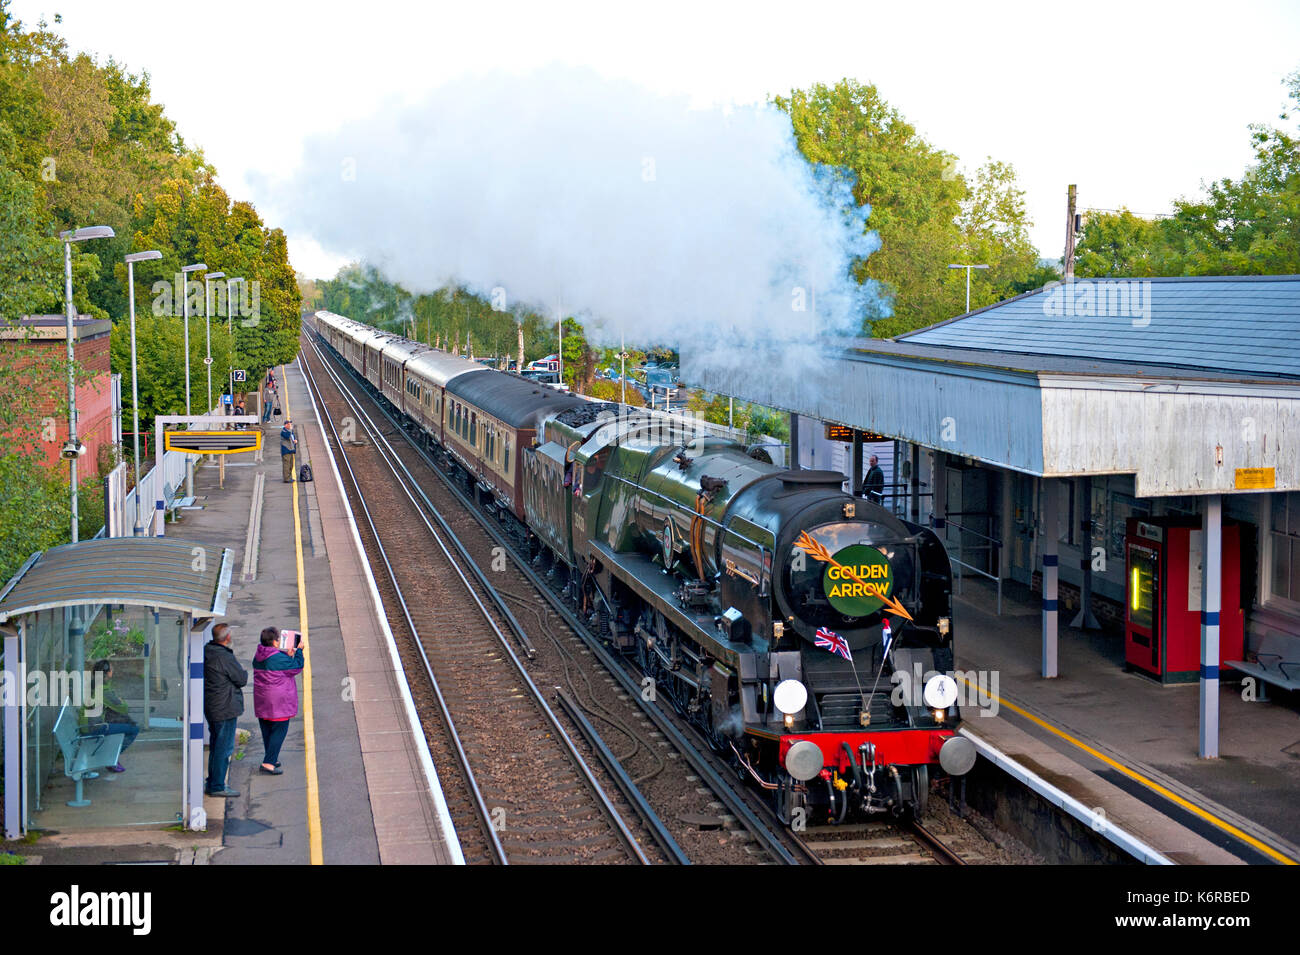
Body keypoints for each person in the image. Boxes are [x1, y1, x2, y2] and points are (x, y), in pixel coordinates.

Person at [252, 628, 305, 775]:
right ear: (275, 641)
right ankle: (268, 763)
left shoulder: (258, 656)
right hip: (278, 701)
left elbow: (277, 662)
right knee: (279, 730)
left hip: (262, 699)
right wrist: (299, 652)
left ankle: (272, 757)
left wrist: (287, 656)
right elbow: (296, 667)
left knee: (267, 730)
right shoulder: (277, 658)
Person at [203, 623, 247, 798]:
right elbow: (241, 678)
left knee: (216, 745)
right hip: (225, 708)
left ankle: (213, 782)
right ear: (227, 637)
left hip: (213, 706)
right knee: (224, 748)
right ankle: (218, 785)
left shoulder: (208, 651)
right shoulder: (224, 656)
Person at [82, 659, 139, 773]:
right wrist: (121, 701)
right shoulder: (103, 689)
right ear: (107, 673)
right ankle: (109, 758)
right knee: (134, 729)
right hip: (94, 727)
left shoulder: (93, 684)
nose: (113, 670)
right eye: (112, 669)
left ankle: (109, 756)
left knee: (121, 725)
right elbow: (123, 708)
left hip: (87, 724)